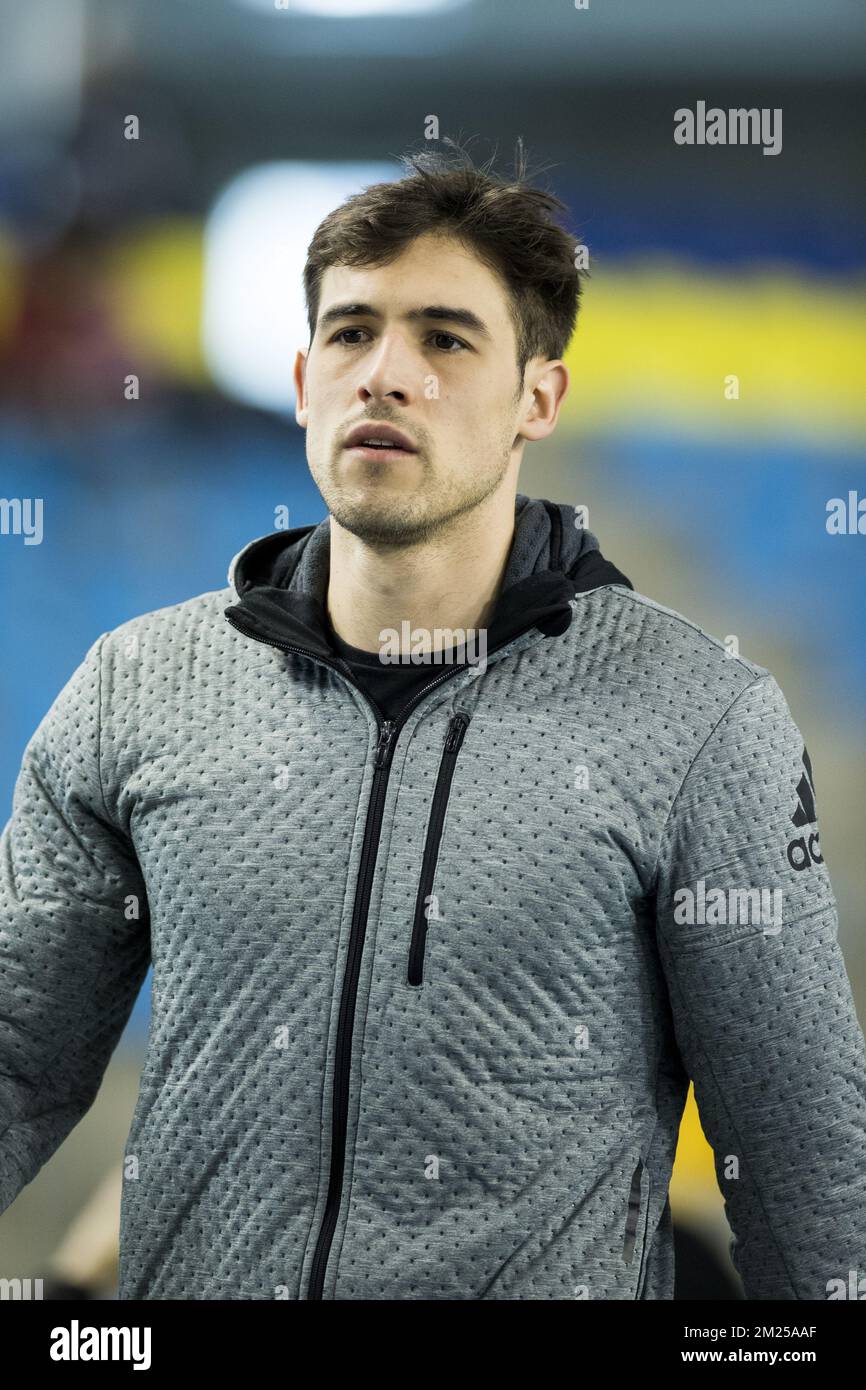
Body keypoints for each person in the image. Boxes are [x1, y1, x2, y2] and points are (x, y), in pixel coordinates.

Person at [2, 144, 864, 1301]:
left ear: (537, 398)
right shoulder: (136, 688)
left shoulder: (699, 721)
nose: (385, 375)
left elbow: (801, 1158)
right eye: (352, 333)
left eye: (445, 340)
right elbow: (17, 1053)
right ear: (305, 379)